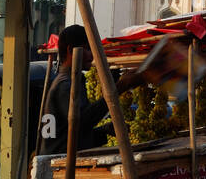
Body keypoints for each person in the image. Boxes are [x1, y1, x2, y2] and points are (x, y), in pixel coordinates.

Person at [41, 25, 143, 157]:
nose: (92, 55)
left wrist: (104, 130)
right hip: (59, 166)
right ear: (71, 50)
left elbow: (75, 134)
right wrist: (119, 88)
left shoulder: (71, 81)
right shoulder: (65, 85)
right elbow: (82, 120)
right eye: (88, 49)